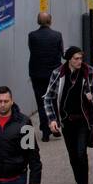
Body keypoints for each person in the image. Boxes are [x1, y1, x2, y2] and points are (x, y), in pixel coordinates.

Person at [44, 47, 93, 184]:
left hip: (83, 120)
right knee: (73, 156)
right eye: (76, 59)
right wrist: (52, 119)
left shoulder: (89, 72)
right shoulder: (58, 74)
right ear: (68, 60)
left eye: (81, 58)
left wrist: (92, 96)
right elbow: (48, 98)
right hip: (67, 121)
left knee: (81, 153)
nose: (80, 61)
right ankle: (79, 182)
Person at [27, 11, 63, 142]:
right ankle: (56, 126)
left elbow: (32, 50)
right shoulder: (57, 36)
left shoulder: (32, 36)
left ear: (38, 21)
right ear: (50, 21)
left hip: (37, 74)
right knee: (52, 100)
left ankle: (45, 132)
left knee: (41, 102)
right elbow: (61, 52)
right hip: (52, 74)